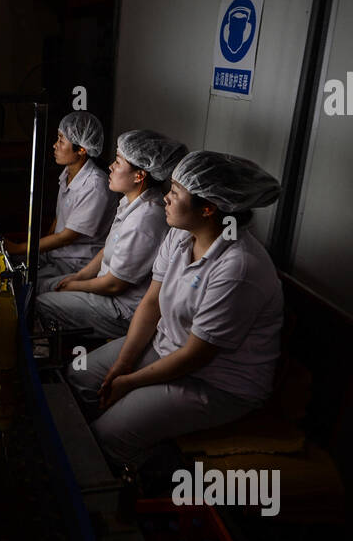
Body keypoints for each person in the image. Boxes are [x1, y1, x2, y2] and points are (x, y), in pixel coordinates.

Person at [65, 151, 284, 472]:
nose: (165, 197)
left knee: (108, 437)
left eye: (176, 193)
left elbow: (197, 355)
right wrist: (123, 364)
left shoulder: (238, 268)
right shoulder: (182, 233)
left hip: (215, 382)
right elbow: (152, 304)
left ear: (208, 209)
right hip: (166, 348)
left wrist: (130, 381)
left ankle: (144, 477)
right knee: (78, 376)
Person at [35, 130, 187, 340]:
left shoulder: (145, 219)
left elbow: (114, 284)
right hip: (103, 286)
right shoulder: (131, 201)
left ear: (139, 175)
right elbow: (108, 248)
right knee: (42, 285)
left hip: (121, 308)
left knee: (41, 303)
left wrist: (75, 285)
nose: (110, 167)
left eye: (117, 162)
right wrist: (79, 276)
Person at [3, 111, 117, 292]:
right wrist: (36, 251)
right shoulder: (67, 174)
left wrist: (19, 248)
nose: (55, 145)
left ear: (81, 150)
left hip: (76, 264)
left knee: (20, 286)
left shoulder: (95, 186)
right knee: (5, 266)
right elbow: (58, 219)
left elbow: (67, 237)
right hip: (55, 255)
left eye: (61, 140)